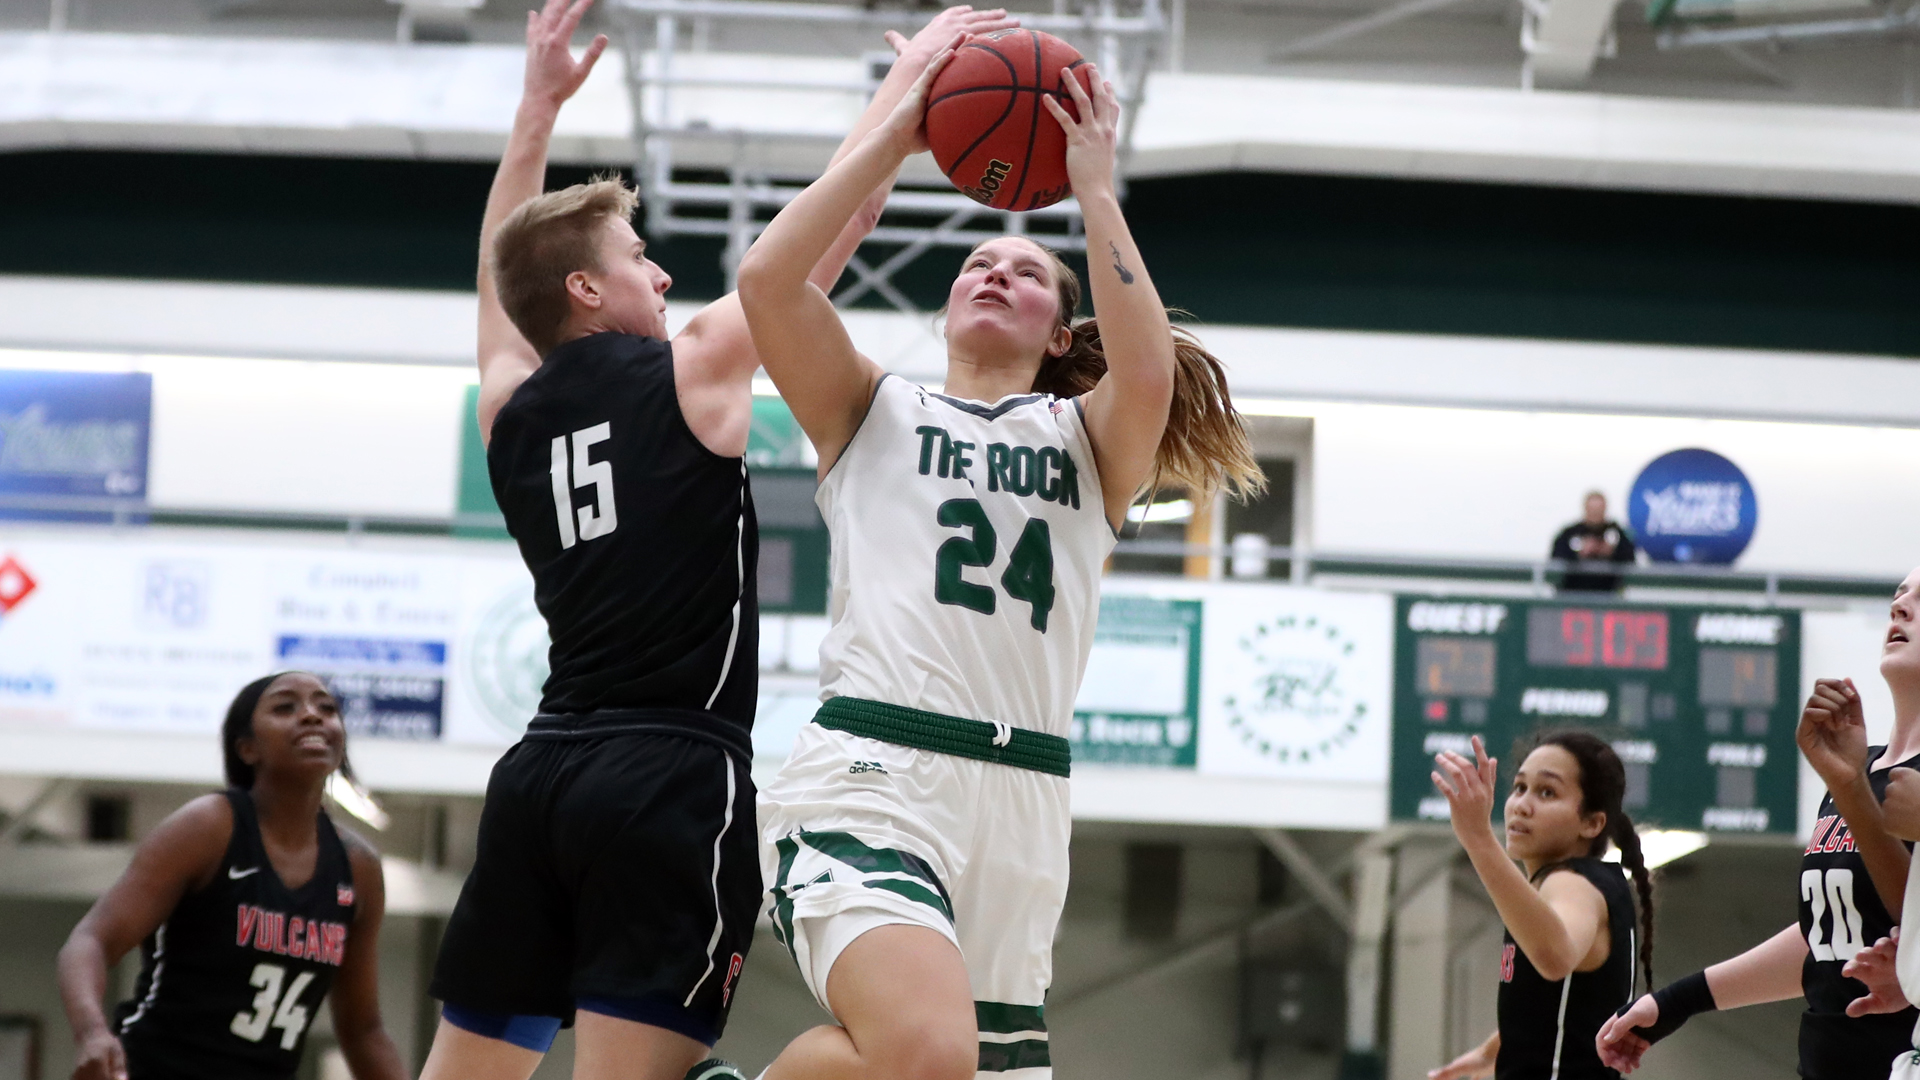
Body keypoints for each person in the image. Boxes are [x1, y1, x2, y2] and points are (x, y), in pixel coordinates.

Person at [417, 3, 1022, 1080]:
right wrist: (903, 106)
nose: (660, 275)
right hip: (667, 776)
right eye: (638, 257)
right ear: (587, 289)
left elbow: (499, 276)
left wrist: (536, 111)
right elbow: (809, 252)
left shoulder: (505, 402)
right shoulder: (695, 366)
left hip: (540, 774)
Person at [736, 45, 1262, 1080]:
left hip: (1022, 802)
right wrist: (901, 128)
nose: (994, 269)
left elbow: (1148, 363)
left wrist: (1096, 191)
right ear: (948, 307)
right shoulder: (870, 407)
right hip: (874, 771)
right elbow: (767, 281)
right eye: (977, 263)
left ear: (1060, 328)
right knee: (930, 1056)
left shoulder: (1091, 439)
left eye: (1026, 269)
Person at [1596, 566, 1920, 1080]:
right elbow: (1827, 936)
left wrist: (1912, 967)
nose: (1900, 607)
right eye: (1899, 595)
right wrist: (1675, 1002)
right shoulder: (1860, 768)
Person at [56, 673, 406, 1080]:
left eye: (326, 708)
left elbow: (363, 1030)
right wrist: (92, 1032)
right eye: (285, 707)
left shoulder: (357, 867)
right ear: (247, 748)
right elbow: (90, 941)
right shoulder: (208, 828)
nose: (312, 715)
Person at [1425, 732, 1654, 1080]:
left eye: (1547, 792)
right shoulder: (1576, 884)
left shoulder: (1571, 884)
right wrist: (1493, 1051)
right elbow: (1570, 1011)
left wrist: (1478, 839)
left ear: (1591, 823)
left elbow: (1556, 957)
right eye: (1519, 788)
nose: (1522, 804)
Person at [1550, 492, 1637, 594]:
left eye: (1598, 510)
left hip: (1609, 595)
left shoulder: (1617, 534)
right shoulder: (1569, 534)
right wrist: (1579, 553)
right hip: (1573, 595)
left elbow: (1630, 561)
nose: (1595, 514)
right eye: (1592, 510)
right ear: (1585, 509)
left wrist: (1611, 553)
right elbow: (1556, 561)